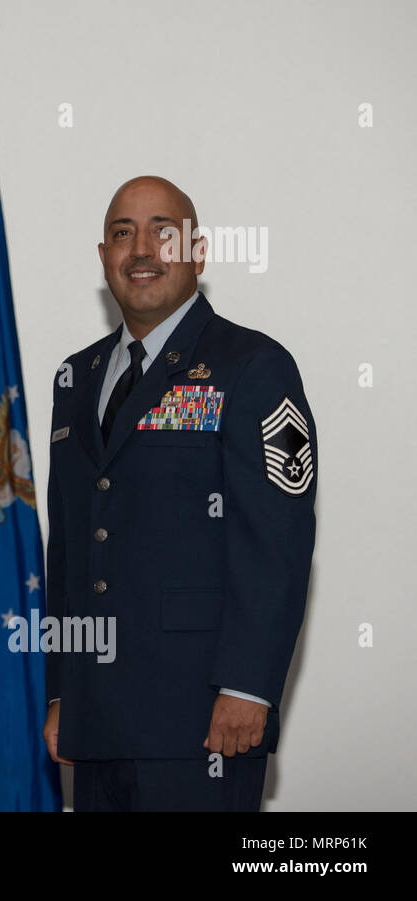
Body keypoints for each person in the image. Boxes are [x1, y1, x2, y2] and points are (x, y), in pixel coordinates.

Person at [41, 175, 316, 810]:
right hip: (98, 723)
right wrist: (62, 691)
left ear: (198, 251)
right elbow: (71, 551)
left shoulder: (252, 365)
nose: (141, 249)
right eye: (121, 233)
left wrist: (249, 687)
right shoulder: (75, 377)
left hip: (204, 718)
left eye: (163, 231)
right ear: (103, 257)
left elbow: (275, 541)